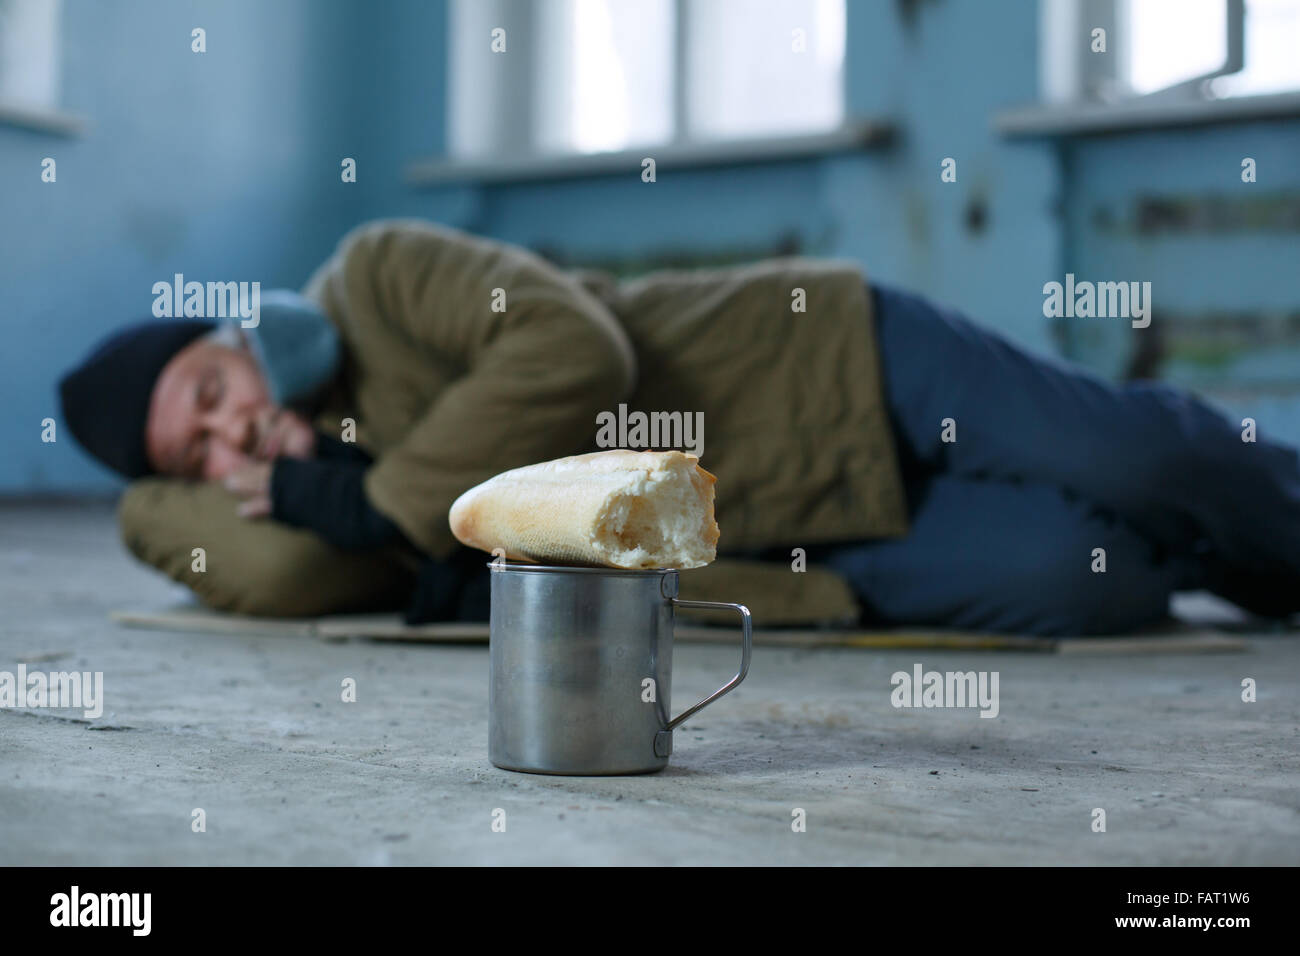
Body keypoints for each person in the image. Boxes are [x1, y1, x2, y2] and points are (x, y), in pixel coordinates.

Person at [59, 219, 1300, 635]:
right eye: (195, 458)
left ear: (237, 332)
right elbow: (274, 568)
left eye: (215, 397)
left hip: (825, 359)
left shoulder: (375, 275)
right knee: (1086, 579)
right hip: (804, 541)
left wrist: (379, 501)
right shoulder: (302, 500)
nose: (234, 442)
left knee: (1136, 459)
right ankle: (1218, 556)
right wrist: (179, 500)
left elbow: (568, 346)